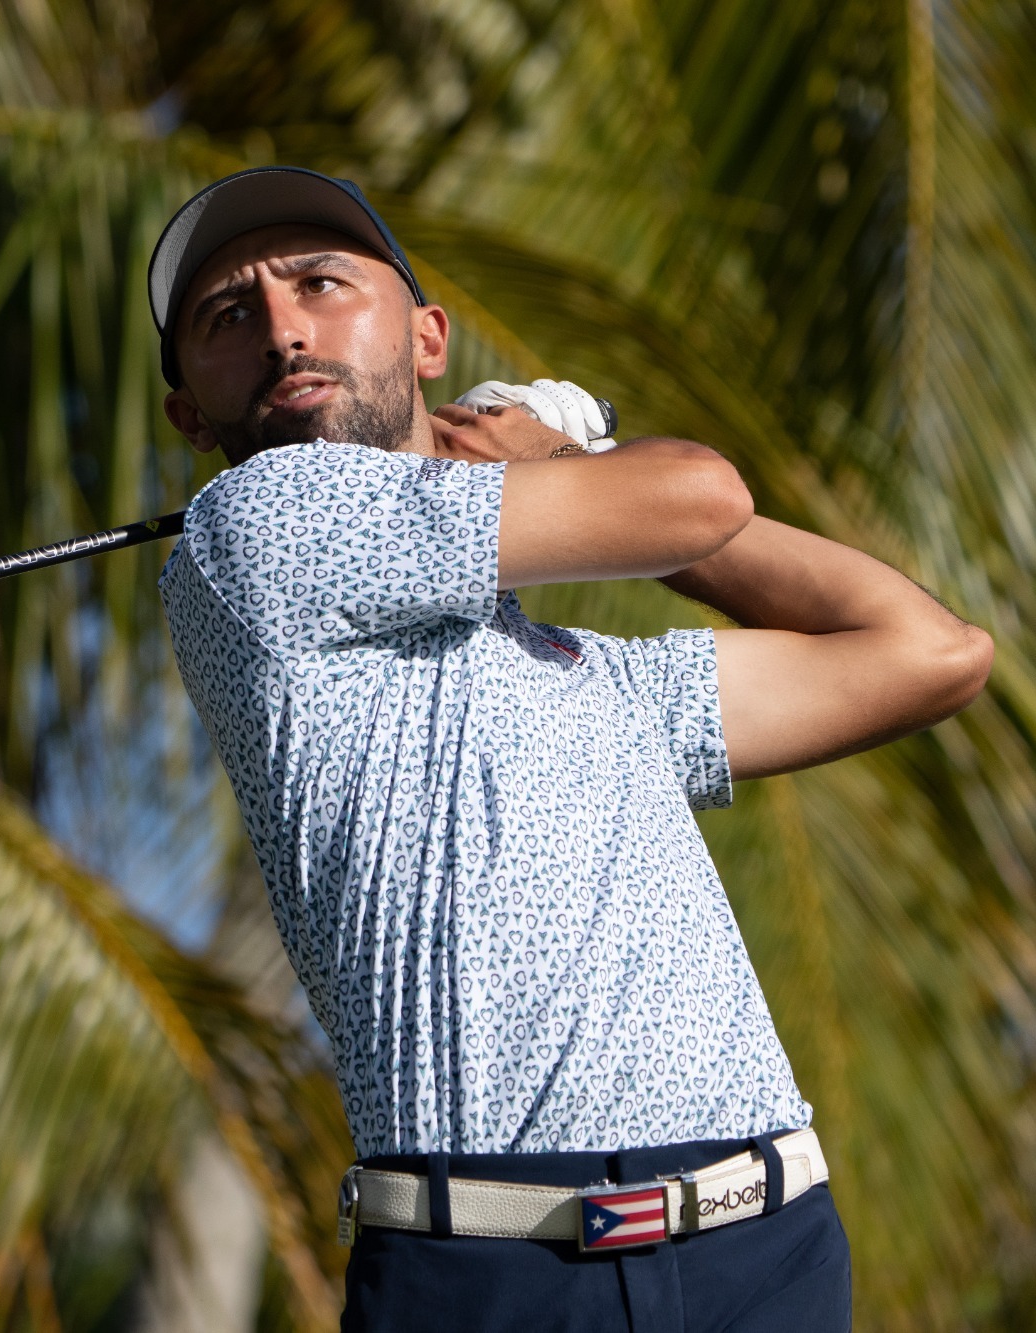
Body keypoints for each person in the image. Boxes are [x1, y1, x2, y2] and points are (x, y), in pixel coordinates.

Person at [149, 167, 994, 1332]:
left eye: (320, 283)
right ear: (190, 416)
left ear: (426, 335)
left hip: (767, 1248)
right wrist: (549, 449)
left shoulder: (599, 684)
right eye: (226, 317)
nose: (284, 327)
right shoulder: (251, 531)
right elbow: (695, 494)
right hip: (494, 1274)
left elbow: (928, 650)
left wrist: (533, 463)